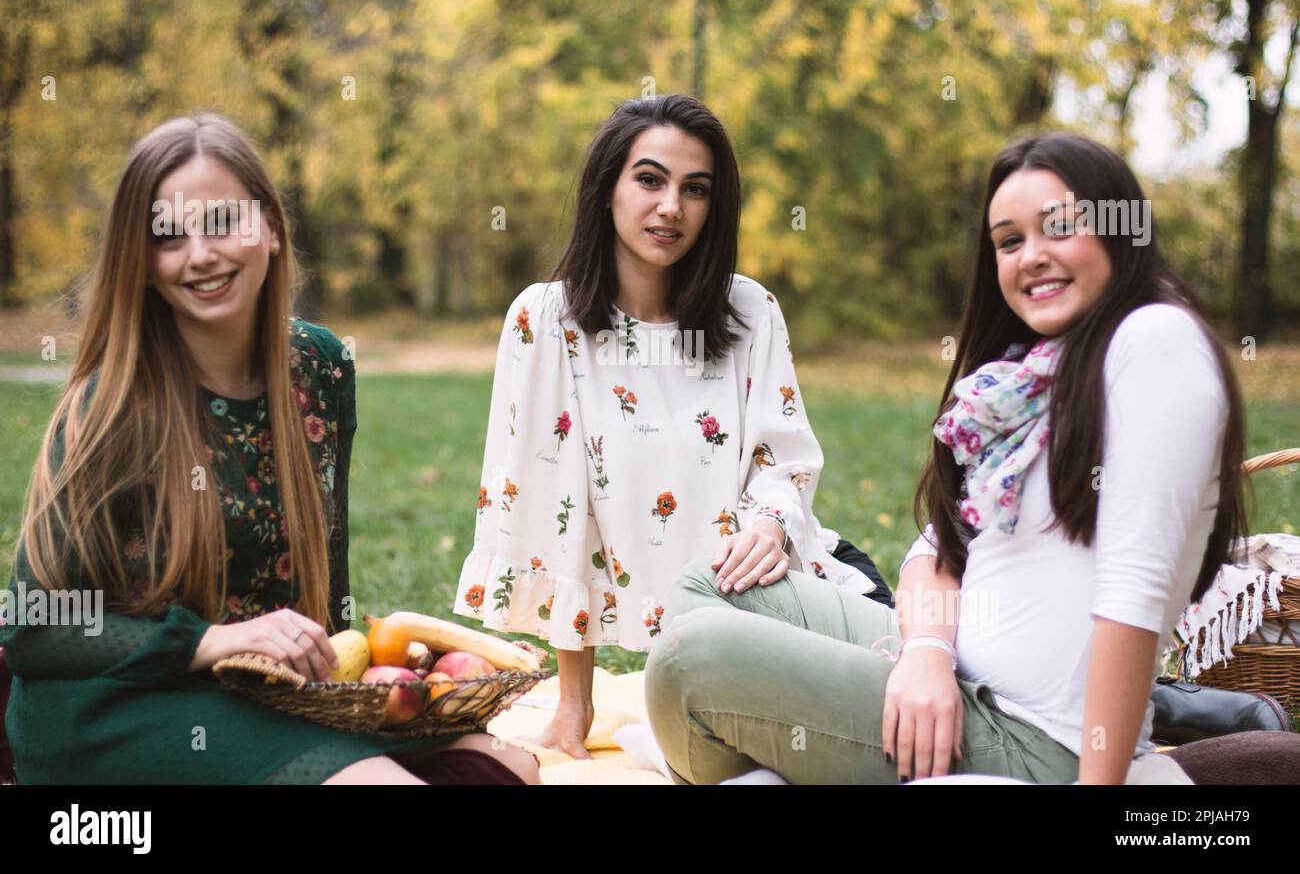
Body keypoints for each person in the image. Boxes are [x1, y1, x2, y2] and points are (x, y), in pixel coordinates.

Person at [644, 131, 1248, 785]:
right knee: (707, 588)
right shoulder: (1025, 383)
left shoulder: (1154, 341)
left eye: (1060, 228)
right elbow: (939, 551)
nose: (1032, 257)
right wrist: (927, 654)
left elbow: (1135, 592)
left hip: (1040, 744)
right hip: (951, 678)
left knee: (691, 657)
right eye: (1010, 241)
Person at [0, 114, 538, 785]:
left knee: (503, 766)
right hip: (117, 706)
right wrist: (205, 641)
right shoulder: (111, 407)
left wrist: (365, 679)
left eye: (223, 221)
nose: (199, 253)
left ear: (273, 228)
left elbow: (324, 582)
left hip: (266, 692)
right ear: (141, 262)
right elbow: (29, 624)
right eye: (167, 235)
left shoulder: (323, 365)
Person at [452, 94, 893, 759]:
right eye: (650, 180)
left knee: (925, 718)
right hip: (706, 659)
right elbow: (561, 521)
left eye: (696, 189)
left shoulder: (750, 311)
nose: (671, 207)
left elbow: (784, 461)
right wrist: (574, 708)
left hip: (789, 601)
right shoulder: (547, 323)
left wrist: (771, 524)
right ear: (607, 190)